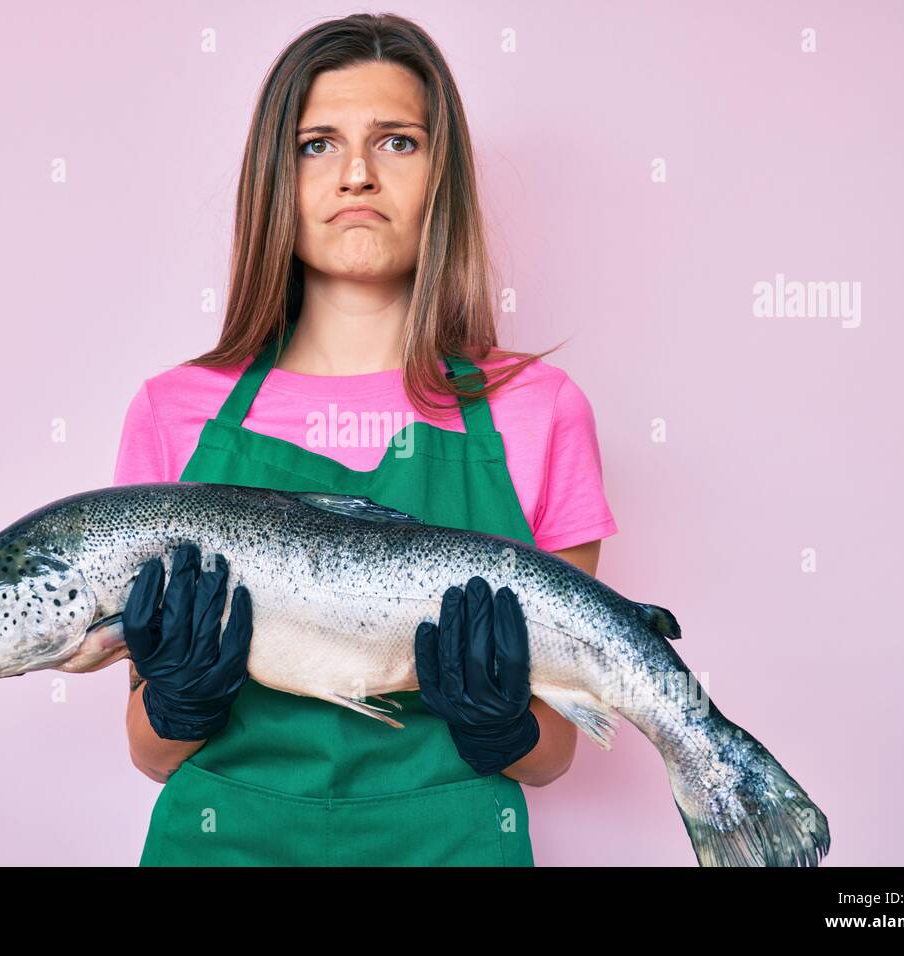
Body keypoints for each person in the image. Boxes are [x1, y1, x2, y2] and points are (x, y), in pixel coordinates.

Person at [112, 13, 617, 867]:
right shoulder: (175, 412)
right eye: (316, 144)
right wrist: (175, 705)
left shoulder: (539, 410)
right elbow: (150, 754)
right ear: (276, 176)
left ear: (440, 176)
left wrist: (501, 725)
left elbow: (555, 755)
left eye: (397, 143)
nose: (355, 174)